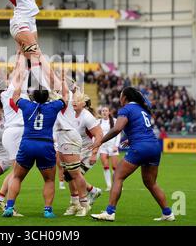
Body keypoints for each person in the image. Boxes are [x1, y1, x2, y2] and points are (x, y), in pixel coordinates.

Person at [90, 87, 174, 222]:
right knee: (151, 182)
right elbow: (142, 128)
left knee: (117, 176)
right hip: (154, 146)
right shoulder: (143, 109)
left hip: (140, 147)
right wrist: (131, 139)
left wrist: (100, 141)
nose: (119, 99)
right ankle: (168, 213)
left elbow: (117, 129)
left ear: (125, 97)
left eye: (120, 96)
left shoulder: (126, 109)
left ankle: (110, 212)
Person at [2, 64, 68, 218]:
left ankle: (10, 207)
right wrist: (63, 80)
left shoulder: (27, 105)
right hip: (45, 145)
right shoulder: (53, 106)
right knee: (49, 180)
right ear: (47, 97)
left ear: (33, 96)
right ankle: (47, 210)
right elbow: (65, 98)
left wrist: (21, 80)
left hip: (28, 144)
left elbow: (15, 97)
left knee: (17, 176)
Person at [0, 53, 29, 213]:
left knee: (16, 171)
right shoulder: (10, 91)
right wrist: (21, 53)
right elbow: (19, 71)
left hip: (13, 133)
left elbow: (18, 71)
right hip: (15, 133)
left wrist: (20, 53)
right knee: (18, 173)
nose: (9, 80)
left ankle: (0, 197)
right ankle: (9, 206)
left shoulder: (7, 93)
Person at [62, 93, 103, 216]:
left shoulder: (87, 117)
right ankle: (90, 192)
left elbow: (99, 135)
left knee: (74, 176)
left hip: (88, 151)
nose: (74, 102)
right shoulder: (70, 114)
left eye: (78, 101)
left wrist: (94, 154)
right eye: (73, 100)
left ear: (84, 104)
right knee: (69, 176)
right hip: (75, 150)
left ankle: (82, 205)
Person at [98, 106, 121, 191]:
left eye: (106, 111)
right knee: (106, 166)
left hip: (112, 146)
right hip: (103, 147)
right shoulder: (98, 122)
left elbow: (118, 134)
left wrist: (116, 145)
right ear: (101, 113)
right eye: (102, 111)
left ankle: (117, 185)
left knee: (115, 167)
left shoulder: (114, 121)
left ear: (109, 112)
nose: (104, 112)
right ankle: (109, 186)